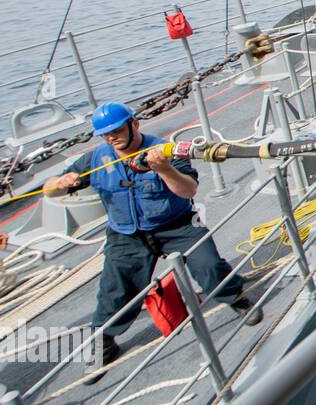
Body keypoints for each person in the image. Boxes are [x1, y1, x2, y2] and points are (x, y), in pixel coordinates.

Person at [43, 102, 260, 371]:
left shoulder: (164, 150)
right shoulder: (96, 159)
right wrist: (59, 184)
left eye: (117, 130)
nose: (112, 138)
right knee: (114, 289)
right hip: (126, 234)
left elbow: (188, 190)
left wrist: (165, 169)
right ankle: (105, 341)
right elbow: (49, 191)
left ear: (134, 124)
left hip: (176, 224)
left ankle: (235, 297)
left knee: (208, 265)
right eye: (106, 134)